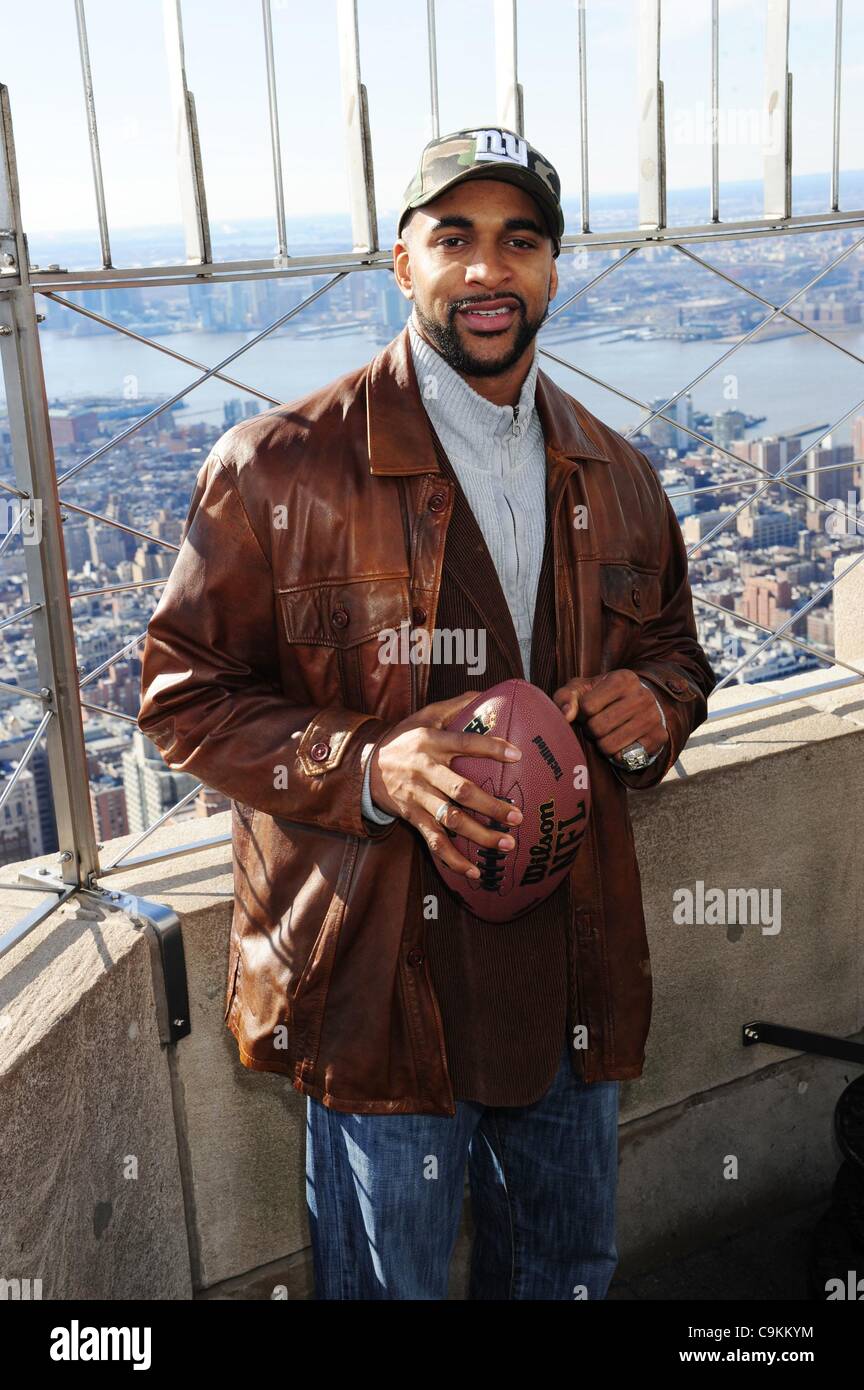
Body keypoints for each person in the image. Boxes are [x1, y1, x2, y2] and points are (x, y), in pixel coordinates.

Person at [137, 126, 717, 1301]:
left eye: (521, 241)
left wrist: (647, 706)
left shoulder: (616, 473)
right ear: (402, 267)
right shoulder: (278, 467)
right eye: (453, 239)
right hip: (378, 988)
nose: (488, 271)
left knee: (566, 1272)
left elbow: (678, 661)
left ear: (555, 269)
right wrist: (367, 767)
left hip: (568, 972)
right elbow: (181, 695)